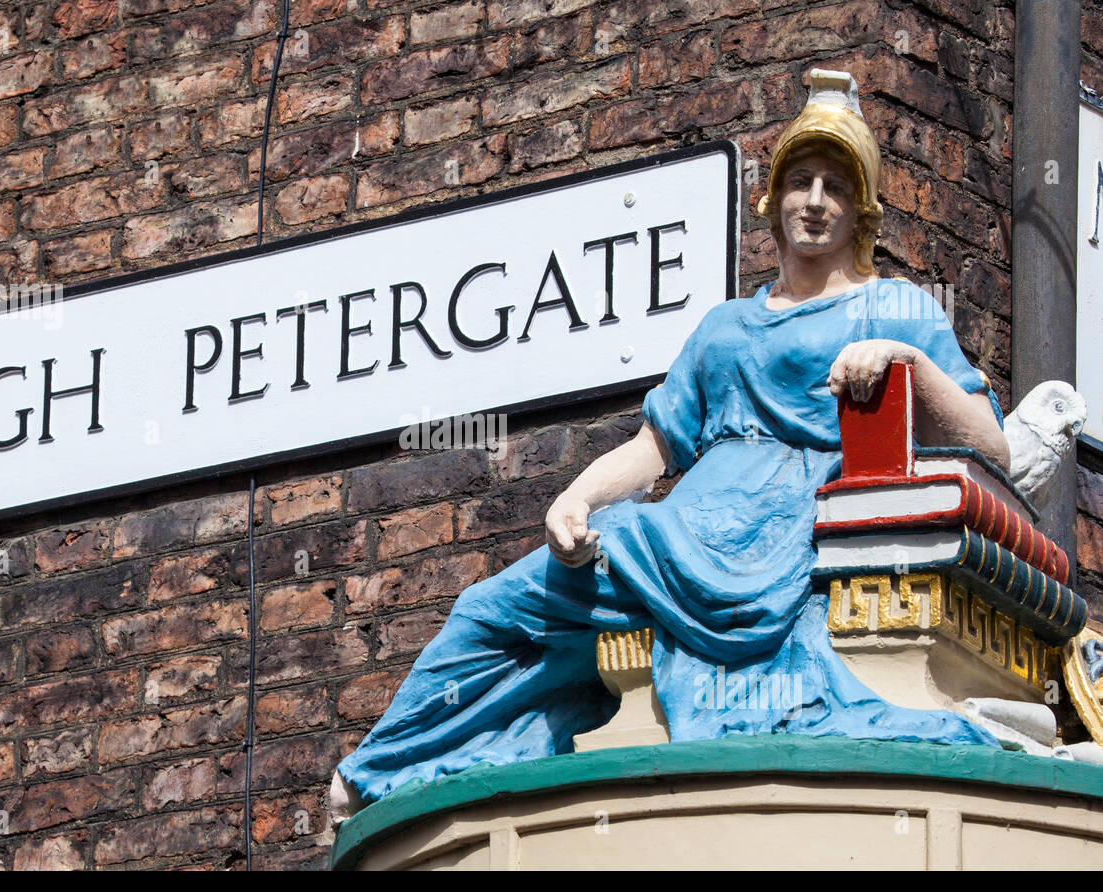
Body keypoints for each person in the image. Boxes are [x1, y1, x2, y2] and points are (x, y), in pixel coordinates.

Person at [329, 70, 1010, 820]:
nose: (816, 202)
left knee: (556, 605)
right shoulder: (724, 328)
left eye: (837, 187)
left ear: (862, 209)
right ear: (773, 197)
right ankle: (386, 766)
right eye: (801, 181)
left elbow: (991, 446)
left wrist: (899, 360)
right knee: (491, 606)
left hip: (774, 528)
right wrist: (576, 495)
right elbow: (654, 448)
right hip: (680, 522)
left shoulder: (894, 307)